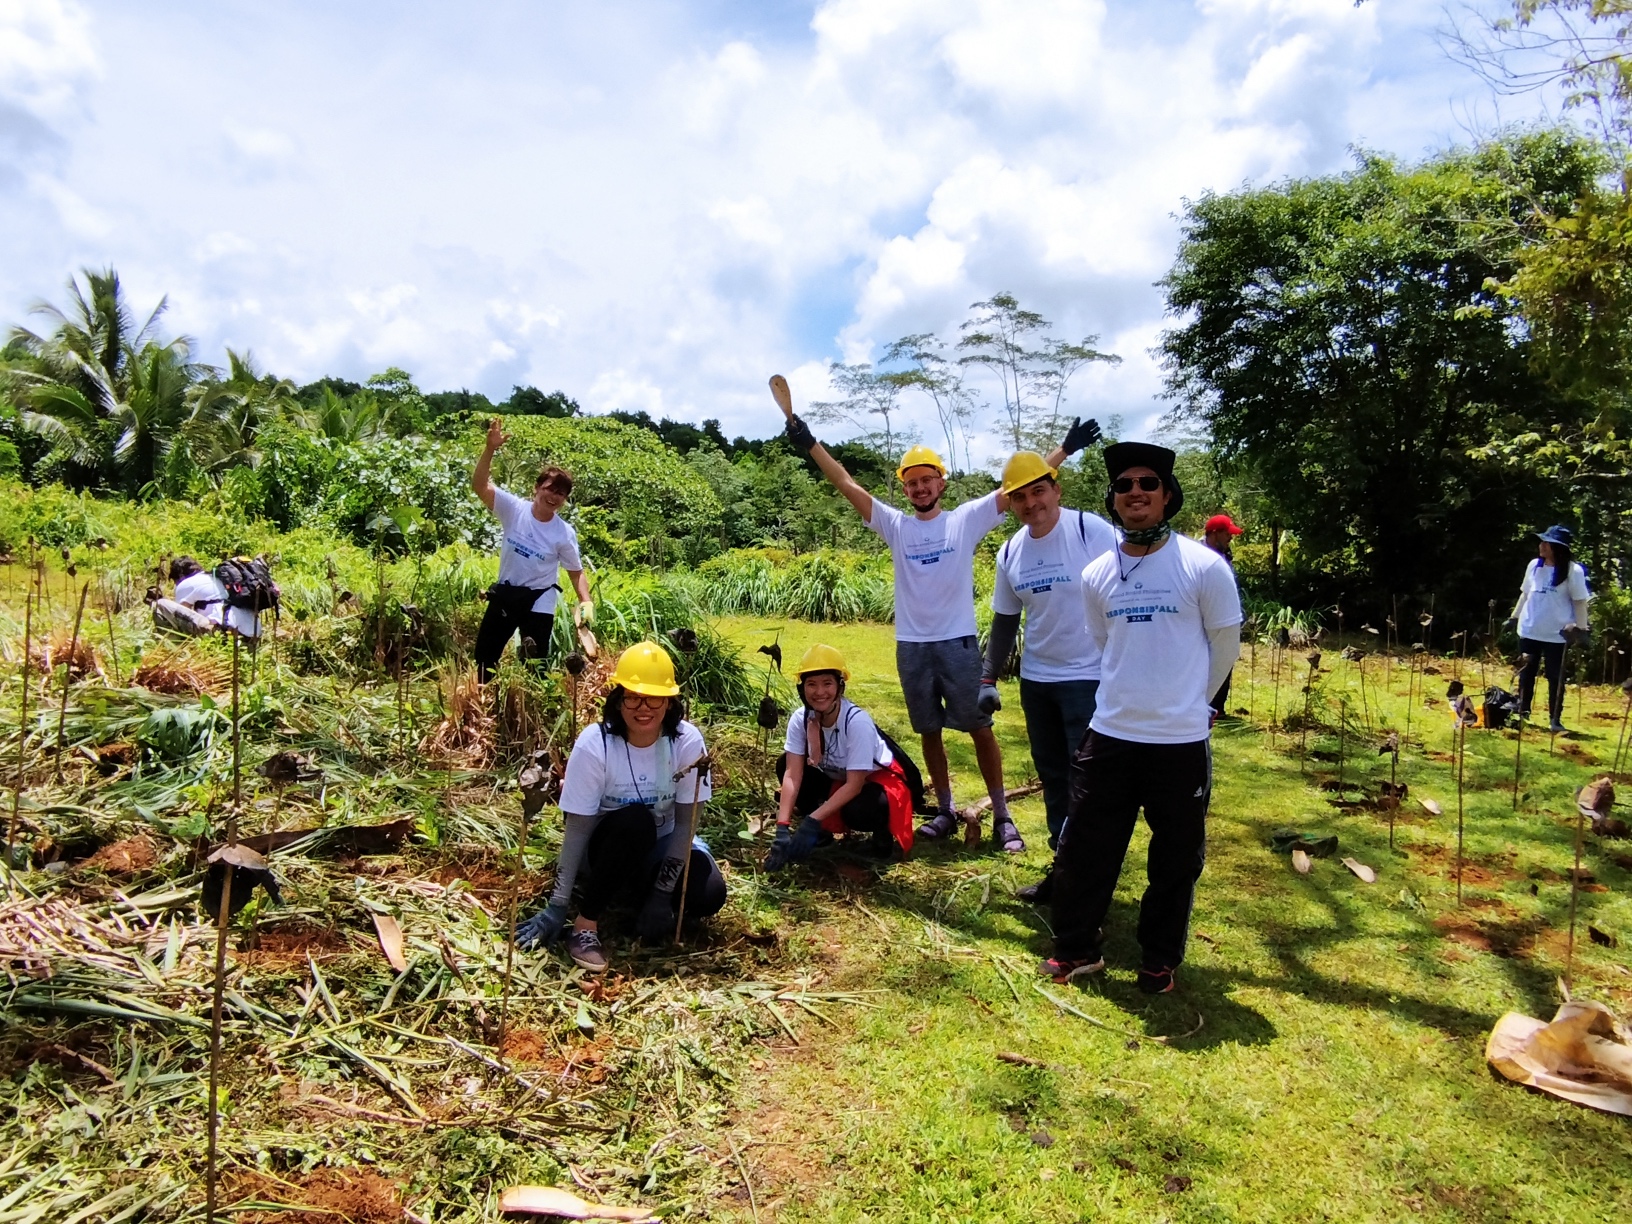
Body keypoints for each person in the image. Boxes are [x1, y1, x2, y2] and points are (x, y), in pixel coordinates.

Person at [772, 373, 1100, 853]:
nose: (921, 487)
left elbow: (1022, 485)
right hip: (912, 646)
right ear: (904, 489)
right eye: (912, 482)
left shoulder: (965, 520)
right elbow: (843, 481)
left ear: (941, 482)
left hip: (958, 644)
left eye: (927, 479)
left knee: (978, 727)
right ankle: (945, 809)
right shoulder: (895, 526)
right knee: (928, 731)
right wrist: (808, 442)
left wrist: (1065, 448)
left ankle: (1003, 816)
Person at [1041, 442, 1241, 995]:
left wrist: (1191, 702)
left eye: (1148, 483)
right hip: (1110, 733)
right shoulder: (1097, 575)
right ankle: (1076, 948)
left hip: (1178, 740)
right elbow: (1105, 644)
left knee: (1175, 855)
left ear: (1167, 495)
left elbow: (1225, 644)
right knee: (1085, 846)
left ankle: (1158, 957)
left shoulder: (1203, 566)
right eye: (1125, 484)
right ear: (1113, 497)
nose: (1136, 492)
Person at [516, 641, 726, 972]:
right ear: (618, 699)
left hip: (659, 849)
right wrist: (557, 905)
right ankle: (585, 925)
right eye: (632, 696)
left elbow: (685, 825)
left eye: (654, 697)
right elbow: (577, 829)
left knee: (710, 892)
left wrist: (663, 893)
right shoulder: (595, 743)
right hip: (604, 848)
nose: (643, 707)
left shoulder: (687, 742)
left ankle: (635, 896)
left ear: (670, 703)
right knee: (636, 822)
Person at [982, 452, 1116, 903]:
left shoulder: (1089, 530)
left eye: (1038, 490)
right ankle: (1064, 869)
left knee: (1089, 780)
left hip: (1090, 677)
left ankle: (1090, 878)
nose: (1030, 503)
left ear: (1056, 490)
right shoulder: (1011, 550)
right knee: (1053, 775)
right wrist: (987, 679)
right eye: (1019, 496)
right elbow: (1004, 621)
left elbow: (1127, 585)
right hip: (1038, 683)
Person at [763, 644, 919, 870]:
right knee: (783, 763)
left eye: (827, 683)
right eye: (811, 684)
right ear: (802, 688)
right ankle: (821, 832)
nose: (819, 692)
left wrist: (811, 821)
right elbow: (792, 774)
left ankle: (881, 835)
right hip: (838, 778)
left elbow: (855, 785)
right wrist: (782, 827)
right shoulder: (801, 719)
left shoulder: (856, 722)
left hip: (875, 783)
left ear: (840, 687)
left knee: (859, 810)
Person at [470, 418, 593, 682]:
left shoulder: (564, 533)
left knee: (534, 665)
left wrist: (586, 601)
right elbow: (480, 486)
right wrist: (490, 449)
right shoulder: (513, 509)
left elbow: (575, 571)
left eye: (562, 494)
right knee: (484, 659)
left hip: (540, 599)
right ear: (537, 488)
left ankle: (532, 714)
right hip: (506, 592)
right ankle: (484, 708)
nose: (555, 497)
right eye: (550, 489)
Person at [1508, 525, 1591, 734]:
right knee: (1526, 673)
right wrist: (1513, 617)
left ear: (1557, 548)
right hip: (1529, 629)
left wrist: (1581, 629)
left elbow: (1580, 603)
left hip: (1557, 635)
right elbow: (1525, 594)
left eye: (1546, 543)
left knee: (1555, 677)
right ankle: (1522, 711)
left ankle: (1555, 718)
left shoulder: (1573, 571)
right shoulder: (1534, 566)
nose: (1541, 546)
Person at [150, 557, 261, 638]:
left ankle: (174, 651)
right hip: (253, 635)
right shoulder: (217, 578)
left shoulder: (187, 583)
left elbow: (178, 617)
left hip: (224, 633)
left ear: (179, 577)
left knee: (160, 604)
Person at [1200, 514, 1242, 717]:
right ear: (1214, 534)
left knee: (1225, 656)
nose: (1230, 538)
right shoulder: (1196, 556)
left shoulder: (1225, 555)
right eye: (1227, 534)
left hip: (1222, 616)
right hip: (1200, 619)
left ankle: (1219, 707)